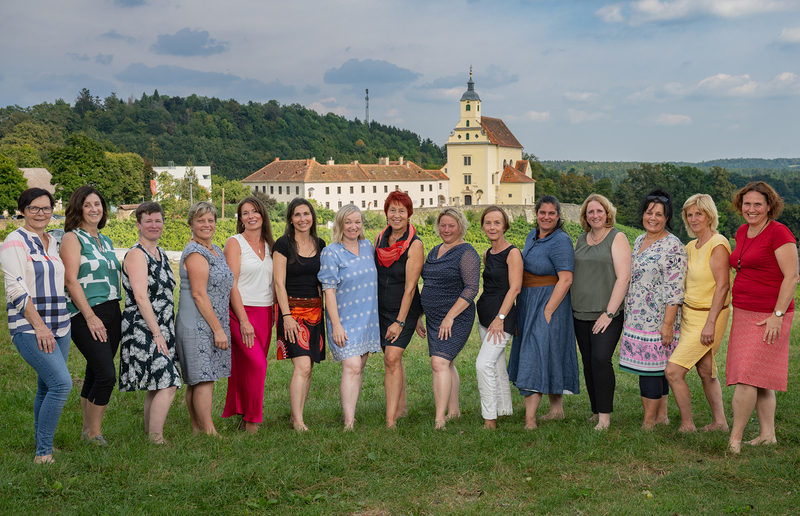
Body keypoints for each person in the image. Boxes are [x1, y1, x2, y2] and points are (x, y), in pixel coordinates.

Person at [726, 182, 798, 453]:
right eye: (747, 204)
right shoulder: (743, 231)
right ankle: (768, 435)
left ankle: (734, 439)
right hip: (743, 313)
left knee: (747, 377)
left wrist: (777, 315)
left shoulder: (779, 233)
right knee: (760, 377)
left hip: (770, 315)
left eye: (758, 204)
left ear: (770, 205)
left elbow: (791, 277)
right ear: (740, 206)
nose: (751, 209)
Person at [1, 188, 71, 463]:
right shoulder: (14, 242)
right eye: (34, 208)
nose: (41, 213)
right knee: (61, 385)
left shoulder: (52, 242)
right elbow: (15, 289)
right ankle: (44, 453)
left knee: (46, 387)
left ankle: (42, 442)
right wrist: (40, 326)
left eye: (46, 208)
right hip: (30, 326)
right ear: (22, 211)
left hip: (60, 325)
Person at [508, 195, 579, 429]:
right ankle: (556, 411)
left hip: (550, 303)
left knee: (535, 354)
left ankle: (530, 419)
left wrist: (548, 310)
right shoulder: (532, 236)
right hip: (528, 301)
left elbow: (566, 279)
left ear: (559, 216)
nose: (546, 217)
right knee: (548, 352)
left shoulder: (561, 241)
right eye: (542, 212)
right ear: (536, 213)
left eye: (551, 213)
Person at [619, 189, 687, 430]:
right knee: (657, 370)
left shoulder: (673, 246)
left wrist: (667, 325)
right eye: (649, 213)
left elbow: (675, 290)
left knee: (650, 371)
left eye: (659, 214)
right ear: (643, 214)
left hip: (657, 320)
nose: (653, 218)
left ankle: (648, 422)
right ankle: (661, 415)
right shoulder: (639, 240)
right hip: (637, 318)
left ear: (667, 217)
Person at [61, 186, 122, 445]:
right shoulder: (72, 238)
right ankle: (96, 433)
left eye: (98, 204)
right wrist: (89, 316)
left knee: (95, 372)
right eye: (88, 205)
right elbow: (70, 280)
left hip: (112, 310)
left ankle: (86, 431)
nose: (94, 209)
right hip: (85, 312)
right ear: (78, 209)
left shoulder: (105, 240)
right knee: (107, 375)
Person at [665, 194, 730, 433]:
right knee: (705, 370)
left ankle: (687, 425)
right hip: (690, 316)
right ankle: (720, 422)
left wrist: (710, 323)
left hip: (709, 316)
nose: (693, 219)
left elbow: (723, 286)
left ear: (710, 215)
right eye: (689, 215)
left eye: (698, 214)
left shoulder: (718, 243)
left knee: (673, 371)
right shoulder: (691, 246)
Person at [118, 202, 181, 444]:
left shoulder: (161, 253)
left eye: (158, 220)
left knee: (157, 381)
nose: (154, 225)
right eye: (148, 221)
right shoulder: (136, 254)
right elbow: (141, 297)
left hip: (163, 325)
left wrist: (165, 329)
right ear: (138, 225)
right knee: (169, 382)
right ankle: (156, 438)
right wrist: (156, 334)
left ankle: (149, 432)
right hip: (144, 327)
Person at [319, 205, 381, 431]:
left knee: (360, 366)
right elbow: (329, 290)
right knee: (352, 366)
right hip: (344, 318)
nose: (353, 226)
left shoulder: (368, 247)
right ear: (340, 224)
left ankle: (351, 414)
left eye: (357, 222)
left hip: (368, 317)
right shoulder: (331, 252)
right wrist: (336, 325)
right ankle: (348, 422)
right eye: (348, 222)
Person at [571, 194, 630, 430]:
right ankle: (596, 410)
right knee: (588, 362)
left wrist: (609, 312)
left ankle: (605, 417)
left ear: (607, 213)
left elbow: (623, 278)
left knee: (600, 359)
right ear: (585, 216)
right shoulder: (580, 239)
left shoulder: (617, 237)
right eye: (590, 212)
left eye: (599, 211)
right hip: (580, 312)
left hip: (608, 314)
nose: (595, 215)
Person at [175, 202, 233, 436]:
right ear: (191, 224)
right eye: (200, 220)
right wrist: (218, 330)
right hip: (197, 324)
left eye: (210, 220)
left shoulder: (215, 249)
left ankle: (197, 430)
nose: (206, 224)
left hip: (210, 322)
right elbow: (199, 294)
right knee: (204, 379)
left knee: (199, 379)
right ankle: (209, 431)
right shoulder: (195, 252)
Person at [420, 207, 480, 430]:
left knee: (439, 362)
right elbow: (429, 284)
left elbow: (472, 288)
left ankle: (440, 419)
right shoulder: (434, 251)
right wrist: (419, 314)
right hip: (434, 317)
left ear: (461, 227)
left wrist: (449, 317)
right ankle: (454, 410)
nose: (446, 230)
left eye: (451, 226)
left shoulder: (466, 252)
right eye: (443, 225)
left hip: (455, 318)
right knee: (447, 362)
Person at [222, 197, 275, 434]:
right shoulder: (235, 243)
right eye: (245, 213)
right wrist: (243, 320)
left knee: (249, 368)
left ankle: (245, 416)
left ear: (262, 214)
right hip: (240, 312)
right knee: (258, 364)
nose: (251, 216)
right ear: (240, 219)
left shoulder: (272, 244)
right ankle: (253, 422)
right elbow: (231, 284)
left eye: (255, 211)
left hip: (266, 313)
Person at [273, 198, 326, 432]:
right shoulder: (282, 245)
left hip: (315, 312)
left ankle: (297, 416)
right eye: (297, 215)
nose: (302, 219)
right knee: (302, 366)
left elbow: (322, 282)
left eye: (306, 214)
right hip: (291, 312)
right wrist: (286, 316)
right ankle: (299, 422)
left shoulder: (321, 243)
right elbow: (278, 282)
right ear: (290, 219)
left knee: (309, 365)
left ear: (312, 217)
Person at [374, 191, 424, 428]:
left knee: (392, 357)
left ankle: (390, 419)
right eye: (392, 210)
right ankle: (401, 407)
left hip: (403, 310)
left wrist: (401, 321)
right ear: (386, 213)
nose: (396, 215)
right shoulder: (378, 239)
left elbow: (410, 287)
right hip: (381, 310)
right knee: (392, 359)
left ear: (409, 215)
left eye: (401, 211)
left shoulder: (415, 245)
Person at [475, 206, 522, 429]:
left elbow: (514, 289)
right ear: (483, 226)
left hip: (501, 319)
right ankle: (503, 409)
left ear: (505, 226)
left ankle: (489, 419)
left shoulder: (513, 253)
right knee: (496, 365)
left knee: (483, 364)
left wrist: (500, 317)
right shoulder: (486, 253)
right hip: (483, 315)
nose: (492, 227)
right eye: (488, 223)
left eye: (497, 223)